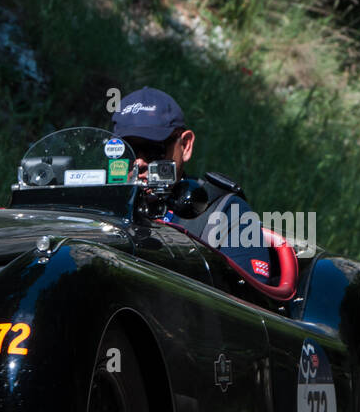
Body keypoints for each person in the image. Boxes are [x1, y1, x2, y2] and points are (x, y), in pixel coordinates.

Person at [112, 87, 273, 283]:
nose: (139, 162)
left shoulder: (223, 211)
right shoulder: (99, 204)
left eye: (153, 149)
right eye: (126, 150)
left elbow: (248, 302)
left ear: (186, 145)